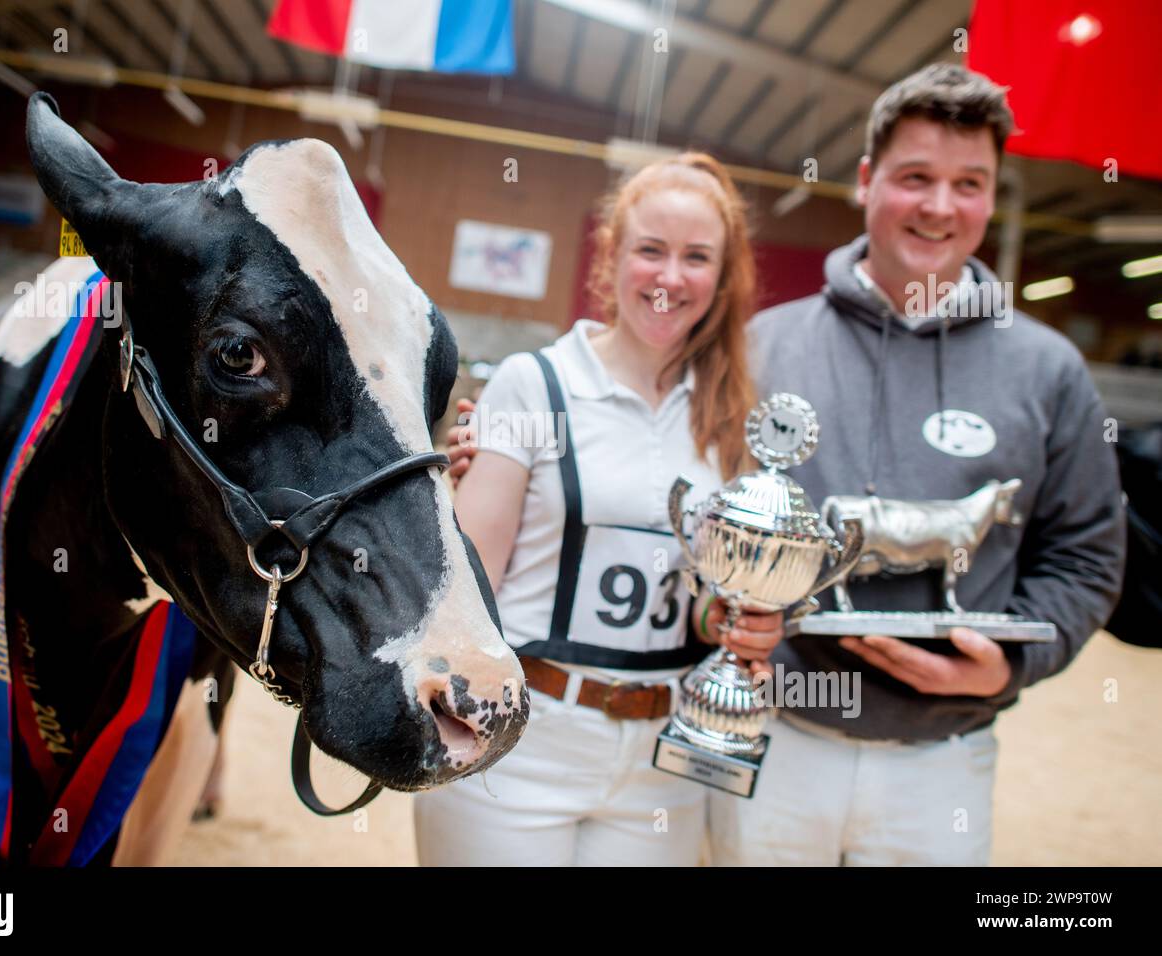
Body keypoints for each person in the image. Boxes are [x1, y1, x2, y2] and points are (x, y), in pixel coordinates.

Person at [709, 63, 1126, 866]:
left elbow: (1087, 554)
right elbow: (709, 530)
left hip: (943, 767)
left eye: (969, 183)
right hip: (777, 738)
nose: (941, 207)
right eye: (916, 178)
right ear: (867, 182)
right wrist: (719, 612)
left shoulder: (1049, 369)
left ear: (993, 195)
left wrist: (1009, 665)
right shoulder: (765, 346)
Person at [414, 153, 783, 866]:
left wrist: (742, 622)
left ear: (723, 274)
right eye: (651, 250)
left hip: (664, 760)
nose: (671, 278)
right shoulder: (533, 383)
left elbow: (704, 599)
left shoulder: (736, 413)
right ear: (612, 254)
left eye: (696, 258)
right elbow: (476, 577)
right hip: (521, 738)